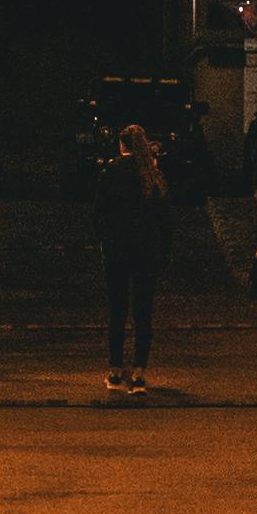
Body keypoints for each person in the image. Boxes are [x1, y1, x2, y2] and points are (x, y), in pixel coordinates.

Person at [93, 112, 171, 394]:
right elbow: (165, 219)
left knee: (117, 310)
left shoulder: (110, 173)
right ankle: (139, 372)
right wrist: (164, 252)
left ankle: (115, 370)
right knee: (143, 312)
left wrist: (105, 240)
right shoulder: (153, 176)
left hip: (117, 250)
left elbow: (100, 215)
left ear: (121, 145)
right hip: (147, 251)